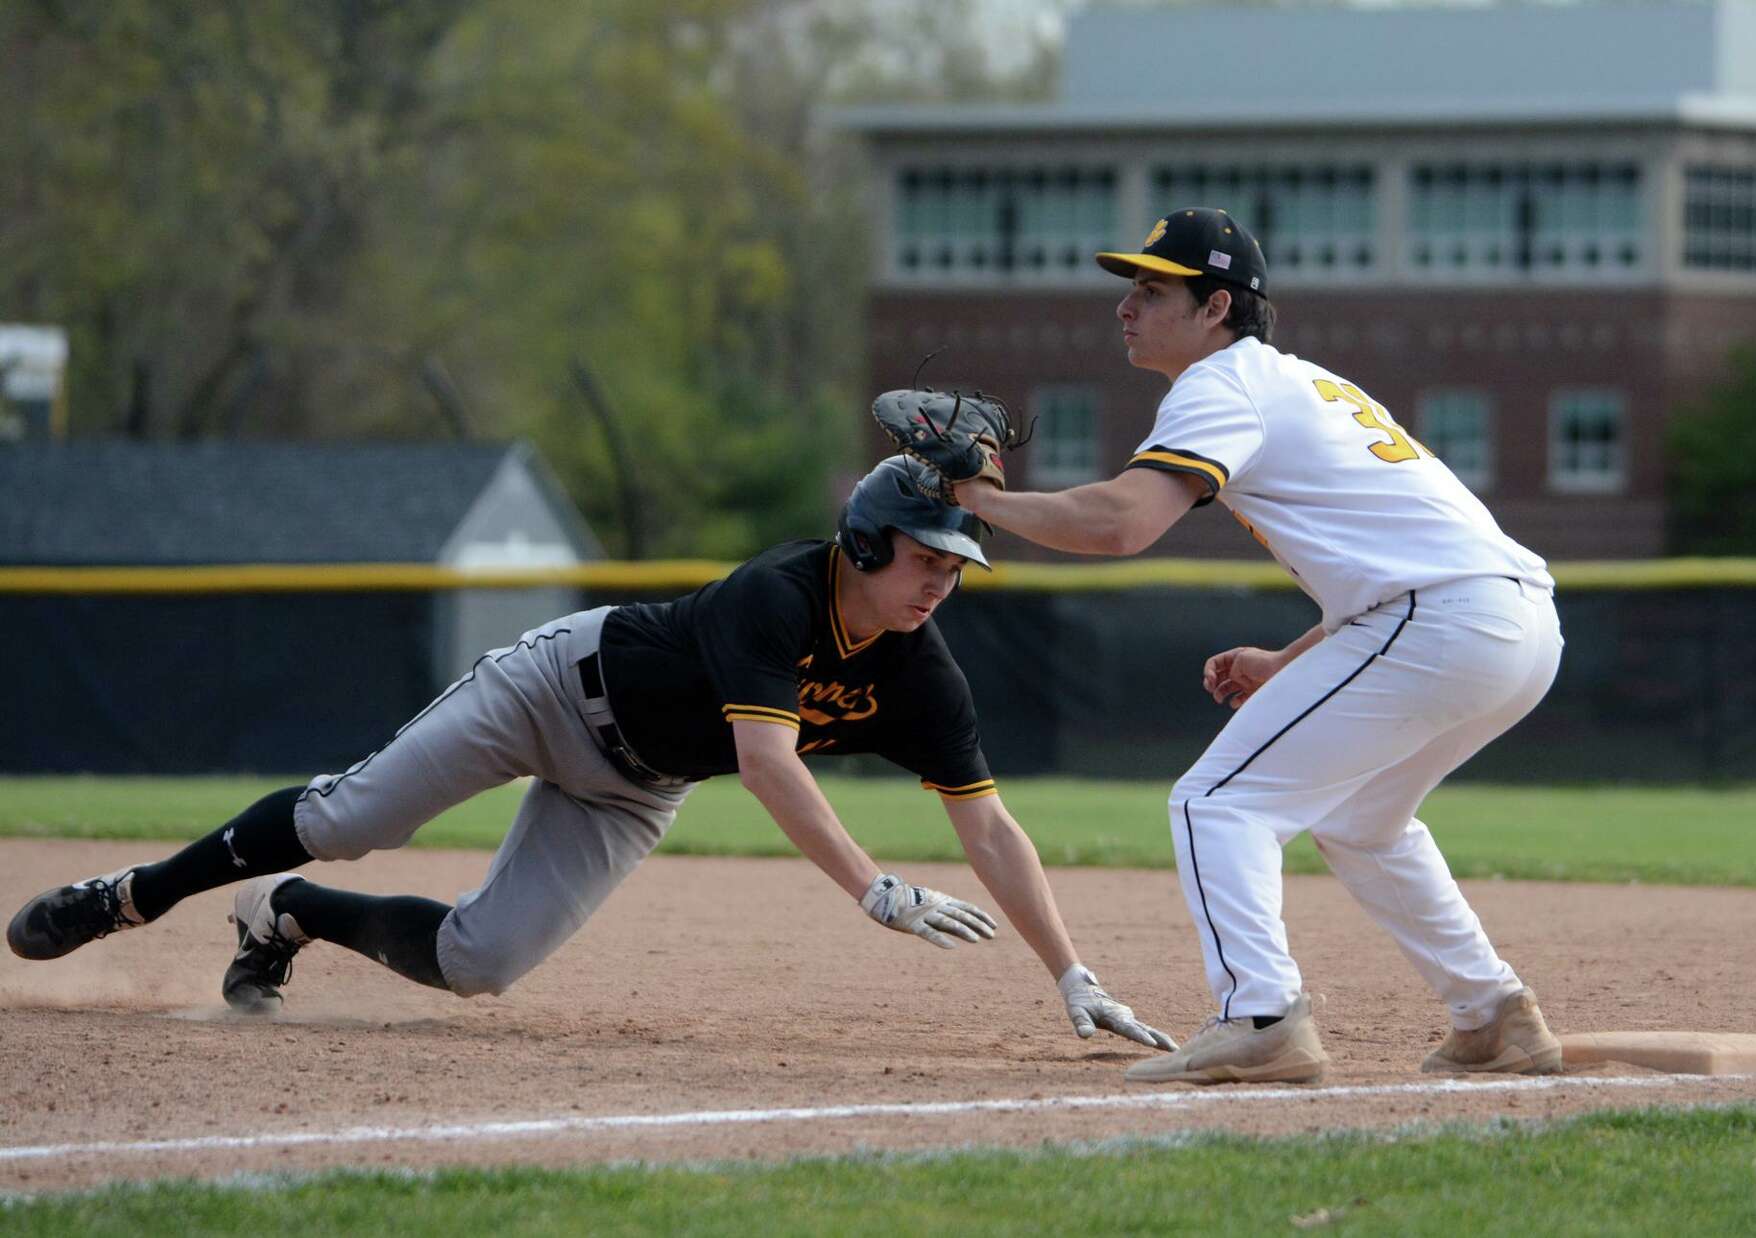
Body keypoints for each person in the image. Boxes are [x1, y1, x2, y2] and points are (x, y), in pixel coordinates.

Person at [8, 456, 1175, 1056]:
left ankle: (291, 914)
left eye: (956, 563)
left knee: (480, 963)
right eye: (927, 556)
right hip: (556, 689)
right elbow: (769, 765)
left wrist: (1070, 971)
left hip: (636, 786)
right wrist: (872, 884)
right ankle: (132, 896)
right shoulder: (779, 594)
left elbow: (991, 826)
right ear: (864, 543)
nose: (944, 579)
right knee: (355, 811)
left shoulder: (922, 668)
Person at [950, 208, 1565, 1085]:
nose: (1127, 308)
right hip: (1515, 626)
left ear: (1217, 308)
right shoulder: (1305, 383)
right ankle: (1495, 1015)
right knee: (1361, 822)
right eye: (1131, 289)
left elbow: (1124, 523)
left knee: (1217, 803)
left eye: (1153, 290)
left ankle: (1262, 1018)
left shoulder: (1222, 384)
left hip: (1443, 621)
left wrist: (983, 501)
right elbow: (1412, 558)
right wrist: (1292, 660)